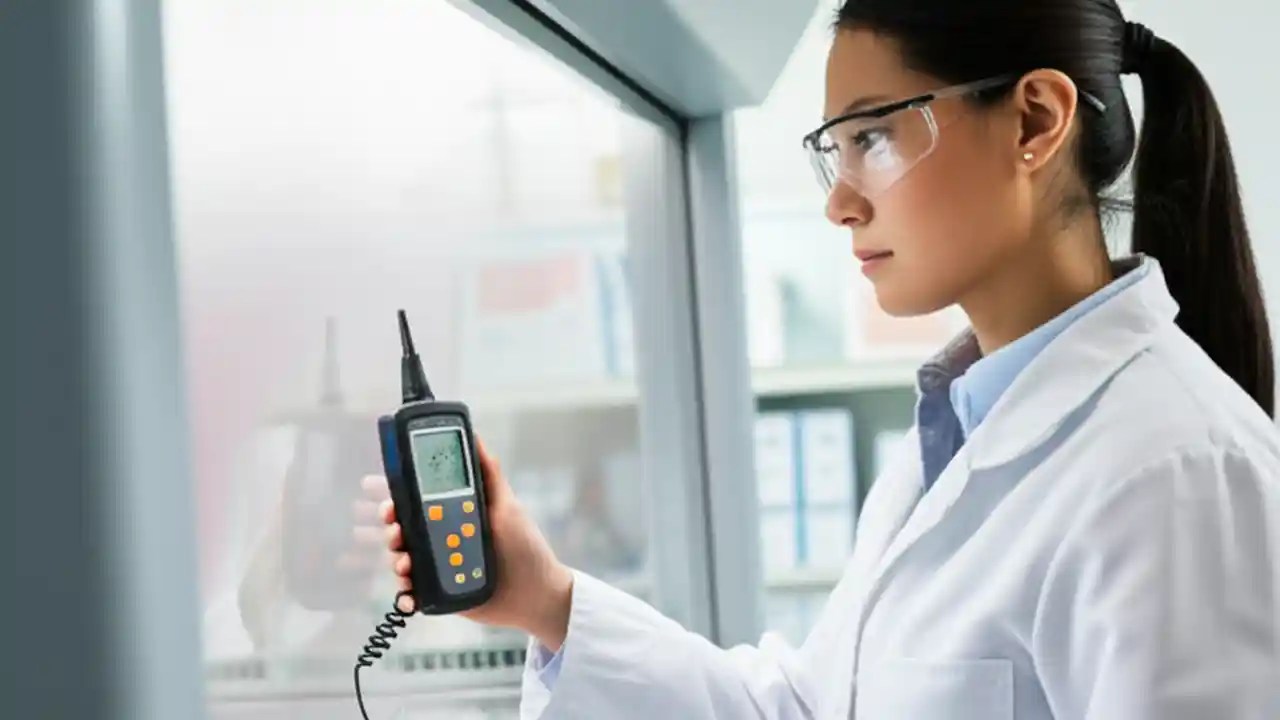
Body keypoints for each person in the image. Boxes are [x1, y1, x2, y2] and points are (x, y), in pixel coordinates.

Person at [381, 1, 1280, 717]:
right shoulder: (958, 437)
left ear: (1034, 122)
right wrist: (547, 600)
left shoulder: (1175, 472)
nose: (840, 201)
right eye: (833, 152)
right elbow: (812, 709)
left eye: (875, 137)